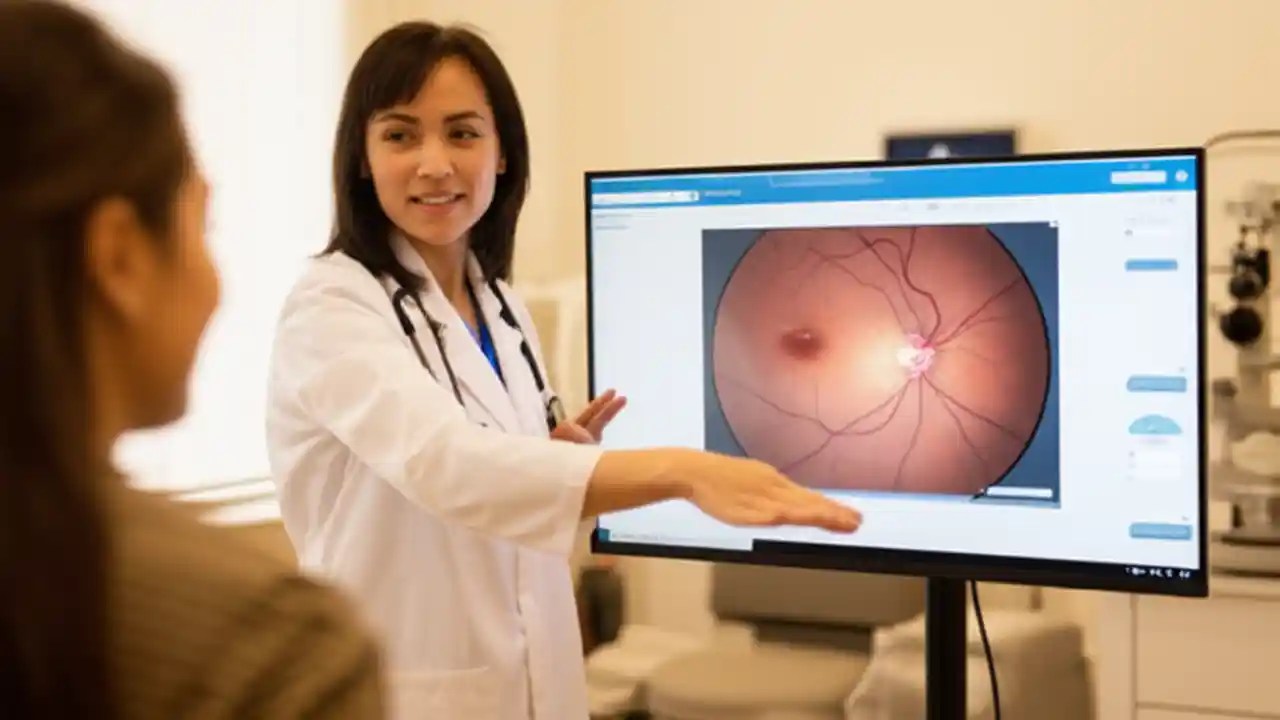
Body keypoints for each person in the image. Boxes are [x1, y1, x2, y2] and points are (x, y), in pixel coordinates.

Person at [264, 20, 863, 720]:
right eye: (400, 135)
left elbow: (492, 480)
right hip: (403, 691)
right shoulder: (332, 307)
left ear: (504, 154)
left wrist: (543, 462)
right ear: (363, 158)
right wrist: (687, 471)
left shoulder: (499, 304)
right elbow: (445, 463)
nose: (434, 163)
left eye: (462, 133)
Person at [0, 2, 386, 717]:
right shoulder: (268, 649)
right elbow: (445, 460)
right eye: (200, 225)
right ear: (118, 257)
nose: (213, 284)